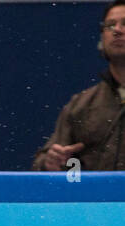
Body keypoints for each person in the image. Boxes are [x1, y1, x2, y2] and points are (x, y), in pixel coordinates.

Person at [32, 2, 125, 171]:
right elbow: (42, 164)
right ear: (102, 38)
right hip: (97, 196)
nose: (117, 30)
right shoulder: (81, 105)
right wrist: (50, 162)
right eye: (110, 25)